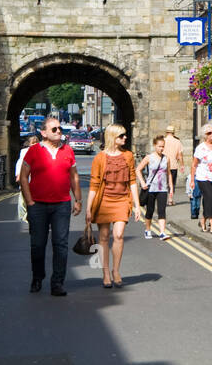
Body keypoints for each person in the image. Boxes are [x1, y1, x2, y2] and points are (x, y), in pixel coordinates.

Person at [18, 114, 82, 296]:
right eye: (54, 129)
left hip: (61, 204)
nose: (59, 131)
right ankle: (37, 277)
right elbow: (23, 177)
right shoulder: (34, 151)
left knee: (60, 244)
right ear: (43, 133)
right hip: (37, 205)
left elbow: (74, 176)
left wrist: (78, 199)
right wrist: (29, 201)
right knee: (38, 244)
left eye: (60, 128)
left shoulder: (68, 151)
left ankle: (57, 283)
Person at [88, 124, 138, 287]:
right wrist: (88, 208)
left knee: (118, 235)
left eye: (125, 135)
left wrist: (137, 205)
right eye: (121, 135)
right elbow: (94, 185)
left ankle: (116, 270)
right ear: (112, 137)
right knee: (103, 237)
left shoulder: (128, 156)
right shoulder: (100, 158)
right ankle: (105, 273)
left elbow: (132, 181)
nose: (125, 138)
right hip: (104, 200)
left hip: (122, 200)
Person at [136, 134, 174, 240]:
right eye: (159, 146)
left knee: (162, 210)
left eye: (163, 146)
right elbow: (138, 170)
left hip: (162, 188)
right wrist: (143, 183)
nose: (161, 148)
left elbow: (169, 173)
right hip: (151, 188)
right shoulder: (149, 157)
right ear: (154, 145)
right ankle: (147, 229)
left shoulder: (166, 159)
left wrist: (171, 187)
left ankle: (162, 232)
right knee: (150, 210)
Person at [162, 125, 184, 194]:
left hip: (164, 165)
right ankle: (170, 199)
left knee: (164, 183)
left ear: (166, 132)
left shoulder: (163, 141)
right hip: (173, 165)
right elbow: (180, 155)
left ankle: (163, 197)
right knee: (172, 183)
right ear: (173, 132)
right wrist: (182, 165)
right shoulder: (177, 142)